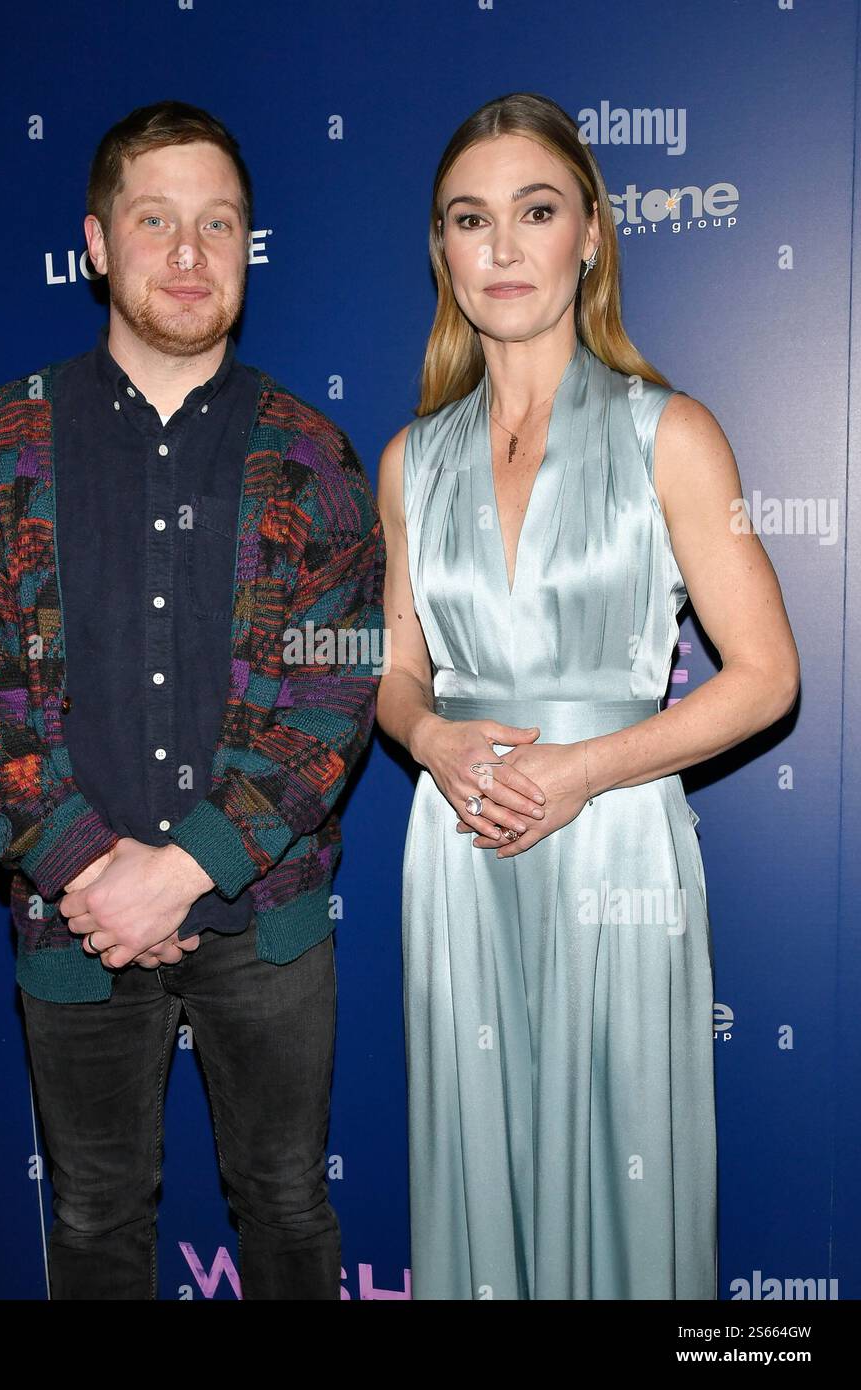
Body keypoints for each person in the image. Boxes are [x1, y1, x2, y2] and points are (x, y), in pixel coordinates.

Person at [0, 100, 385, 1300]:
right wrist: (93, 872)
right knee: (92, 1217)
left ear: (247, 246)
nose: (188, 253)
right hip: (70, 922)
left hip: (267, 921)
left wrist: (182, 869)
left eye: (217, 223)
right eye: (155, 220)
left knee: (288, 1208)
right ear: (95, 242)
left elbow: (333, 695)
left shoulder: (315, 457)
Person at [375, 92, 799, 1300]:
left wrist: (582, 770)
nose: (502, 247)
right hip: (460, 849)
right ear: (443, 251)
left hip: (614, 845)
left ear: (591, 235)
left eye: (536, 210)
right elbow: (393, 670)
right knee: (477, 1168)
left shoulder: (672, 432)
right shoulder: (411, 459)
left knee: (625, 1185)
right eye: (470, 219)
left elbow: (767, 676)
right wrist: (432, 738)